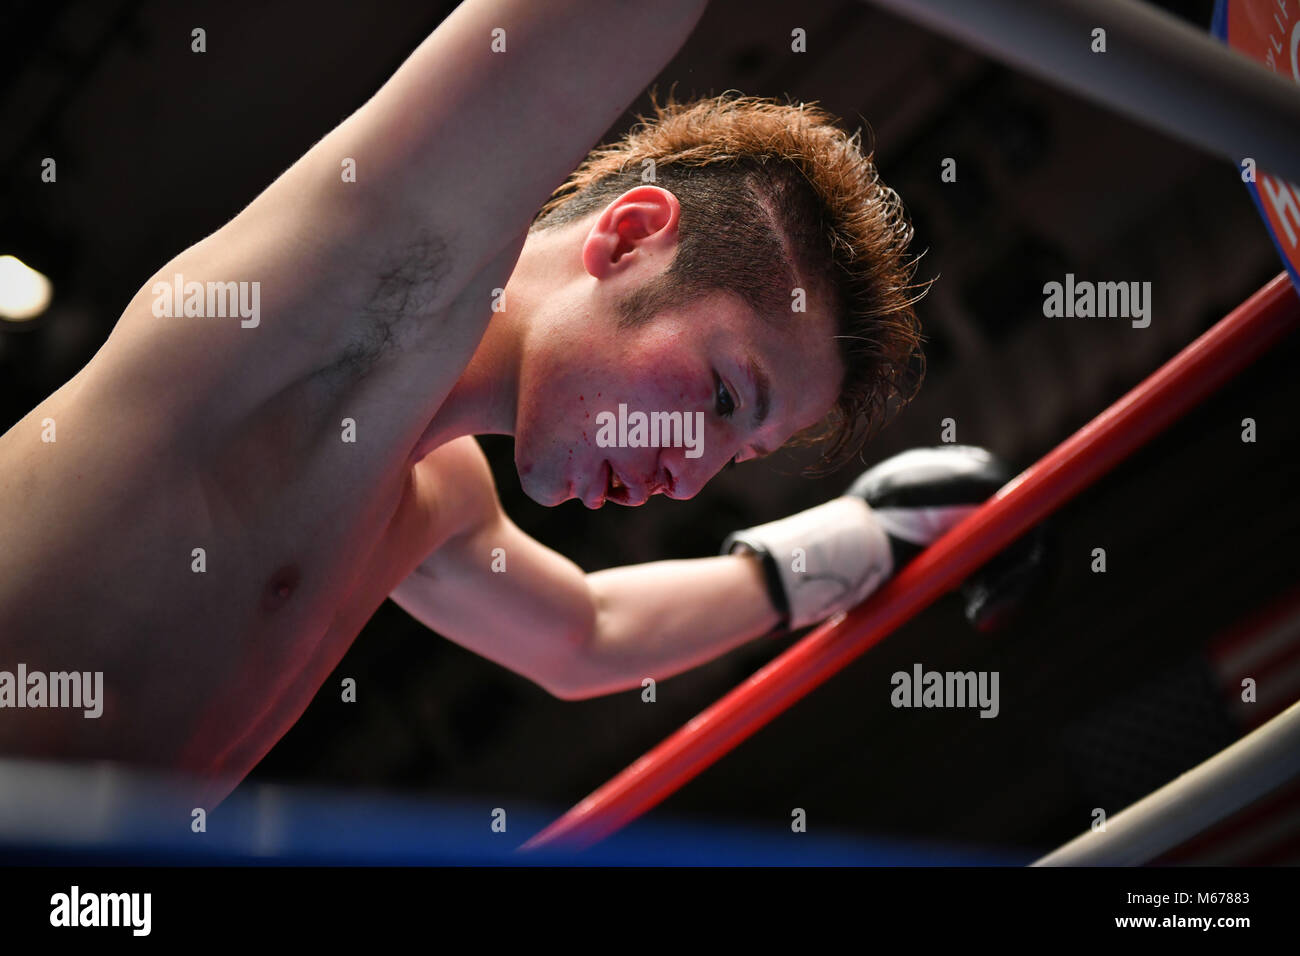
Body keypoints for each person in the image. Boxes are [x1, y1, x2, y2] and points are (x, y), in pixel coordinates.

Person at [0, 0, 1023, 809]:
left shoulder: (433, 496)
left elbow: (587, 634)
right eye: (720, 394)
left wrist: (868, 535)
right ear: (627, 240)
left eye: (739, 450)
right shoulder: (326, 307)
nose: (690, 471)